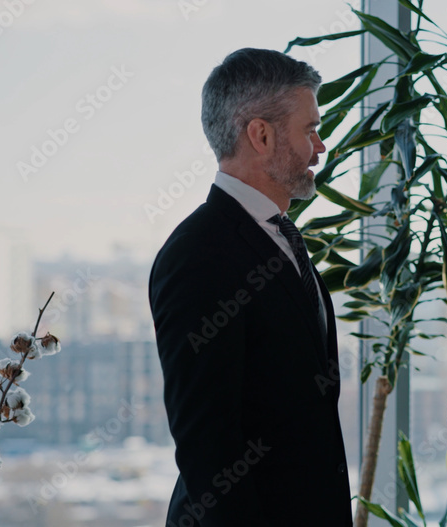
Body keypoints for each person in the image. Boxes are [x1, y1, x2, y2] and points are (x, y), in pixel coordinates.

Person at [149, 48, 352, 526]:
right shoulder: (198, 254)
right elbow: (208, 447)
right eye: (309, 130)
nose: (319, 147)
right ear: (260, 135)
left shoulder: (277, 235)